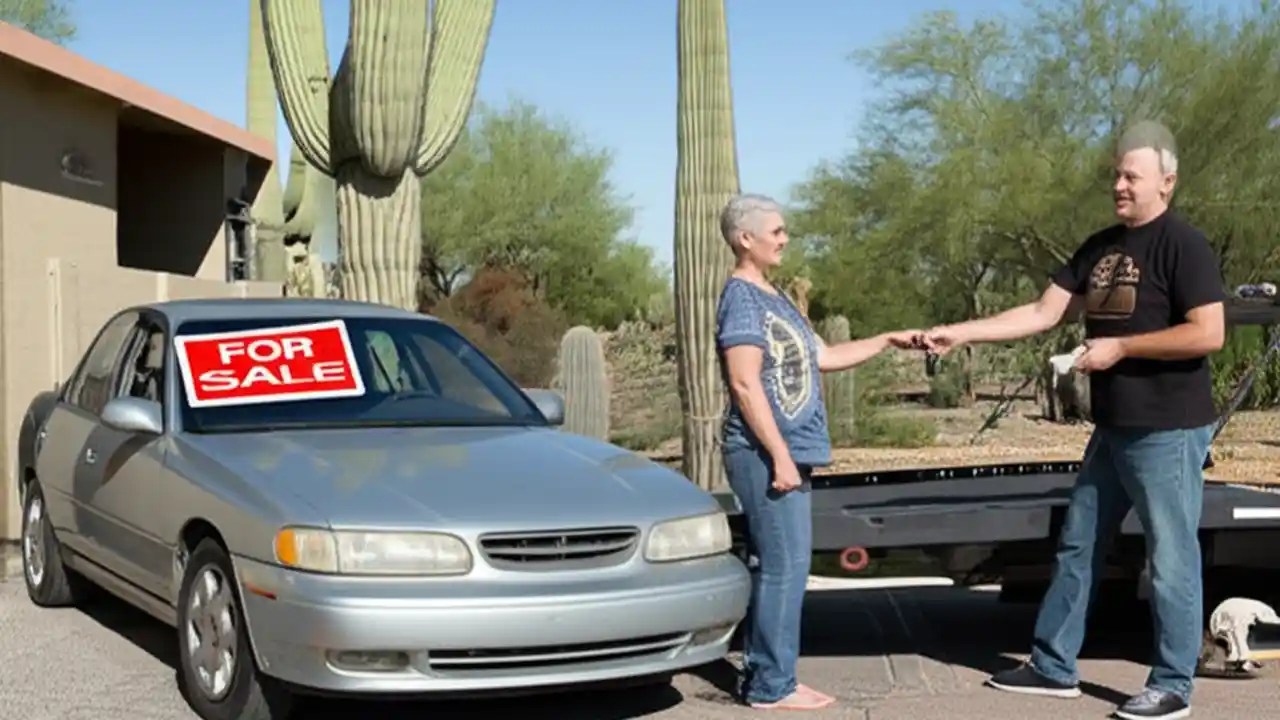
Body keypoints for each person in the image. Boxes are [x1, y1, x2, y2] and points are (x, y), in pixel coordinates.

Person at [921, 121, 1225, 720]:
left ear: (1167, 182)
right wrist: (961, 332)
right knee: (1078, 545)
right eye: (1115, 174)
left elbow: (1208, 332)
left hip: (1167, 430)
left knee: (1170, 559)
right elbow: (1041, 311)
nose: (1118, 184)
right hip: (1112, 430)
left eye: (1130, 176)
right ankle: (1053, 665)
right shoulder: (1101, 247)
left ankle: (1172, 685)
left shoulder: (1182, 245)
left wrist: (1123, 348)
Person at [714, 193, 921, 710]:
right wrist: (780, 455)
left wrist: (887, 341)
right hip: (763, 451)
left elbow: (824, 356)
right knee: (782, 565)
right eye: (776, 231)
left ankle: (776, 675)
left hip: (789, 450)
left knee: (788, 565)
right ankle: (769, 685)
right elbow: (744, 383)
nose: (785, 238)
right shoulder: (741, 298)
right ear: (746, 238)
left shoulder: (774, 295)